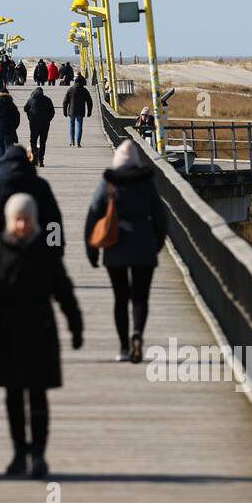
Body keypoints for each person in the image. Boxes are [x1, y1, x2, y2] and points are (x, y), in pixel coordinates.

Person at [0, 194, 82, 479]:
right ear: (11, 221)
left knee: (37, 396)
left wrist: (76, 324)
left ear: (34, 221)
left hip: (40, 331)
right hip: (5, 332)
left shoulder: (45, 252)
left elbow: (63, 290)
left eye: (27, 220)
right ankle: (19, 452)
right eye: (18, 220)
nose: (22, 225)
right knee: (12, 397)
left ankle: (39, 453)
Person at [84, 140, 168, 362]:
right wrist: (156, 244)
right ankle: (137, 334)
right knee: (141, 296)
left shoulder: (108, 183)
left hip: (115, 245)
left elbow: (93, 215)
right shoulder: (147, 182)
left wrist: (91, 249)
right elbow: (161, 217)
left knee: (120, 297)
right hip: (143, 244)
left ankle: (123, 347)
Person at [0, 145, 63, 261]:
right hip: (35, 250)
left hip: (2, 253)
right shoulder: (41, 186)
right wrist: (55, 253)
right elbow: (53, 221)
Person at [23, 86, 55, 167]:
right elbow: (52, 112)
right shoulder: (47, 100)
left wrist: (30, 117)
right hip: (45, 124)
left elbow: (25, 108)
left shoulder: (31, 99)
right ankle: (41, 160)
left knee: (33, 141)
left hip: (34, 124)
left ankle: (35, 156)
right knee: (43, 142)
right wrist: (48, 120)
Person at [62, 74, 93, 148]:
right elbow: (89, 102)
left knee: (72, 126)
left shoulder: (70, 89)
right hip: (81, 111)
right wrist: (89, 112)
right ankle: (78, 143)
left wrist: (65, 111)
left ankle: (72, 142)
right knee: (79, 126)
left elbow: (65, 101)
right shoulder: (85, 90)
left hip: (72, 111)